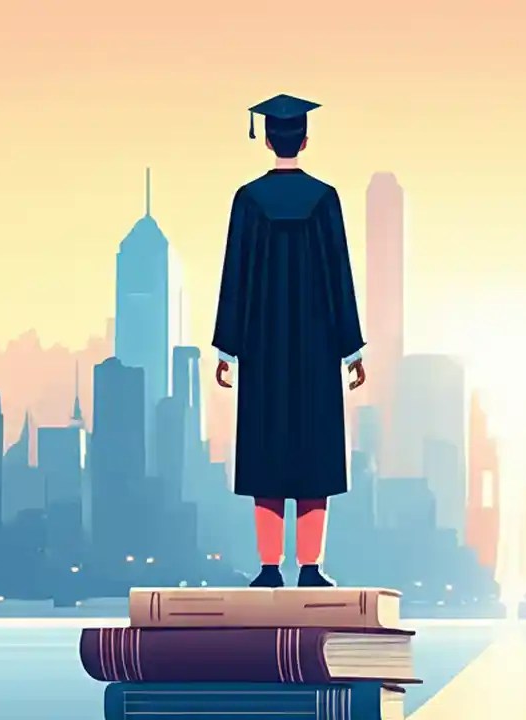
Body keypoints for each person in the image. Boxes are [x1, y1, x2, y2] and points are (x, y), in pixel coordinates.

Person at [213, 93, 366, 588]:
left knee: (267, 453)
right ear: (304, 137)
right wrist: (351, 347)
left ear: (268, 140)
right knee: (314, 456)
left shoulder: (247, 201)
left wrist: (227, 347)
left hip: (260, 346)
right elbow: (339, 274)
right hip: (318, 344)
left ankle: (267, 568)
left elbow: (234, 274)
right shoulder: (325, 200)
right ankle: (311, 568)